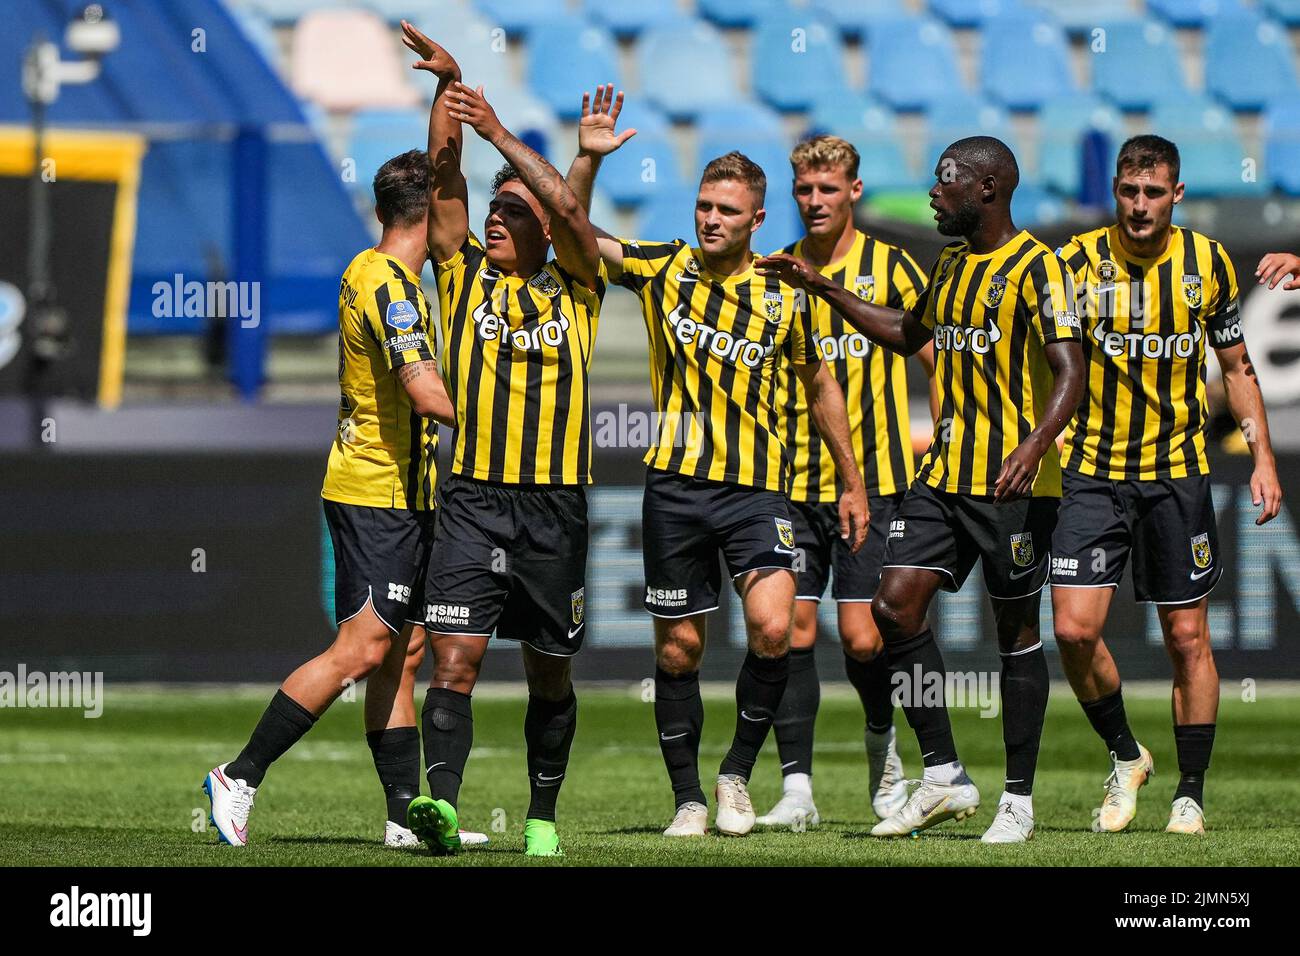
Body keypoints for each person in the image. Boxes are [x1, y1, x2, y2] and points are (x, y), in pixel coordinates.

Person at [759, 136, 1086, 843]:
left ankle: (1019, 802)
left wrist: (1034, 445)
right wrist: (822, 287)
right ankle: (942, 773)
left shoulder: (1040, 269)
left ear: (989, 189)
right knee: (892, 606)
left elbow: (1071, 372)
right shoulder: (952, 263)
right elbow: (908, 332)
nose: (935, 194)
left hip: (1013, 484)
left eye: (947, 183)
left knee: (1017, 636)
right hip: (942, 476)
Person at [568, 91, 867, 837]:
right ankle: (688, 799)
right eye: (704, 205)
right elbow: (573, 231)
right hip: (672, 490)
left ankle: (734, 774)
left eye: (727, 211)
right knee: (679, 647)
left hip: (760, 491)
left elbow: (821, 385)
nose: (710, 220)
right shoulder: (664, 269)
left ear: (757, 220)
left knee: (773, 629)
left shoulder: (783, 290)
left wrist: (853, 480)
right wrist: (588, 159)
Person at [203, 148, 461, 848]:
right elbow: (421, 389)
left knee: (400, 653)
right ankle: (240, 774)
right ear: (431, 213)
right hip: (379, 491)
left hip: (397, 492)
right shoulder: (395, 291)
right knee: (360, 648)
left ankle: (402, 814)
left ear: (381, 211)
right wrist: (489, 418)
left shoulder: (368, 269)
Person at [396, 22, 605, 857]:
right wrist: (449, 89)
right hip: (473, 499)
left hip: (555, 507)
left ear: (544, 233)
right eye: (492, 213)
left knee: (550, 669)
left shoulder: (580, 288)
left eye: (511, 216)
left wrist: (500, 134)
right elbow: (442, 175)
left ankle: (543, 815)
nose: (493, 222)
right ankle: (439, 807)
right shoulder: (463, 275)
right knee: (456, 657)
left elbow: (564, 204)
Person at [1051, 135, 1282, 836]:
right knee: (1071, 628)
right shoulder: (1076, 262)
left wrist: (1263, 457)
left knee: (1187, 638)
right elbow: (1049, 359)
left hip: (1178, 474)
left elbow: (1238, 369)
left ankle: (1190, 792)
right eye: (1130, 191)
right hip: (1092, 471)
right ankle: (1126, 754)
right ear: (1116, 191)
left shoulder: (1206, 262)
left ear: (1176, 195)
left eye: (1154, 193)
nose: (1141, 205)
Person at [752, 135, 936, 829]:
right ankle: (796, 788)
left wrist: (941, 440)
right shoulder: (773, 270)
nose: (816, 201)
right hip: (788, 481)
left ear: (854, 191)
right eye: (805, 189)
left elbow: (930, 355)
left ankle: (881, 749)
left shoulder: (890, 266)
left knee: (863, 638)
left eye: (828, 189)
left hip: (879, 480)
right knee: (792, 630)